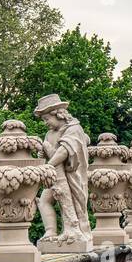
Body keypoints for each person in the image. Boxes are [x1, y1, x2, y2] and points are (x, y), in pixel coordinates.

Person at [34, 93, 92, 248]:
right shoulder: (50, 133)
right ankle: (50, 232)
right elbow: (49, 149)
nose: (45, 123)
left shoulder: (74, 128)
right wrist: (42, 152)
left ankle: (73, 231)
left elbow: (64, 151)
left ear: (58, 114)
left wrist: (48, 165)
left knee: (73, 205)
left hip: (72, 174)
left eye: (46, 119)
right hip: (55, 175)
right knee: (44, 201)